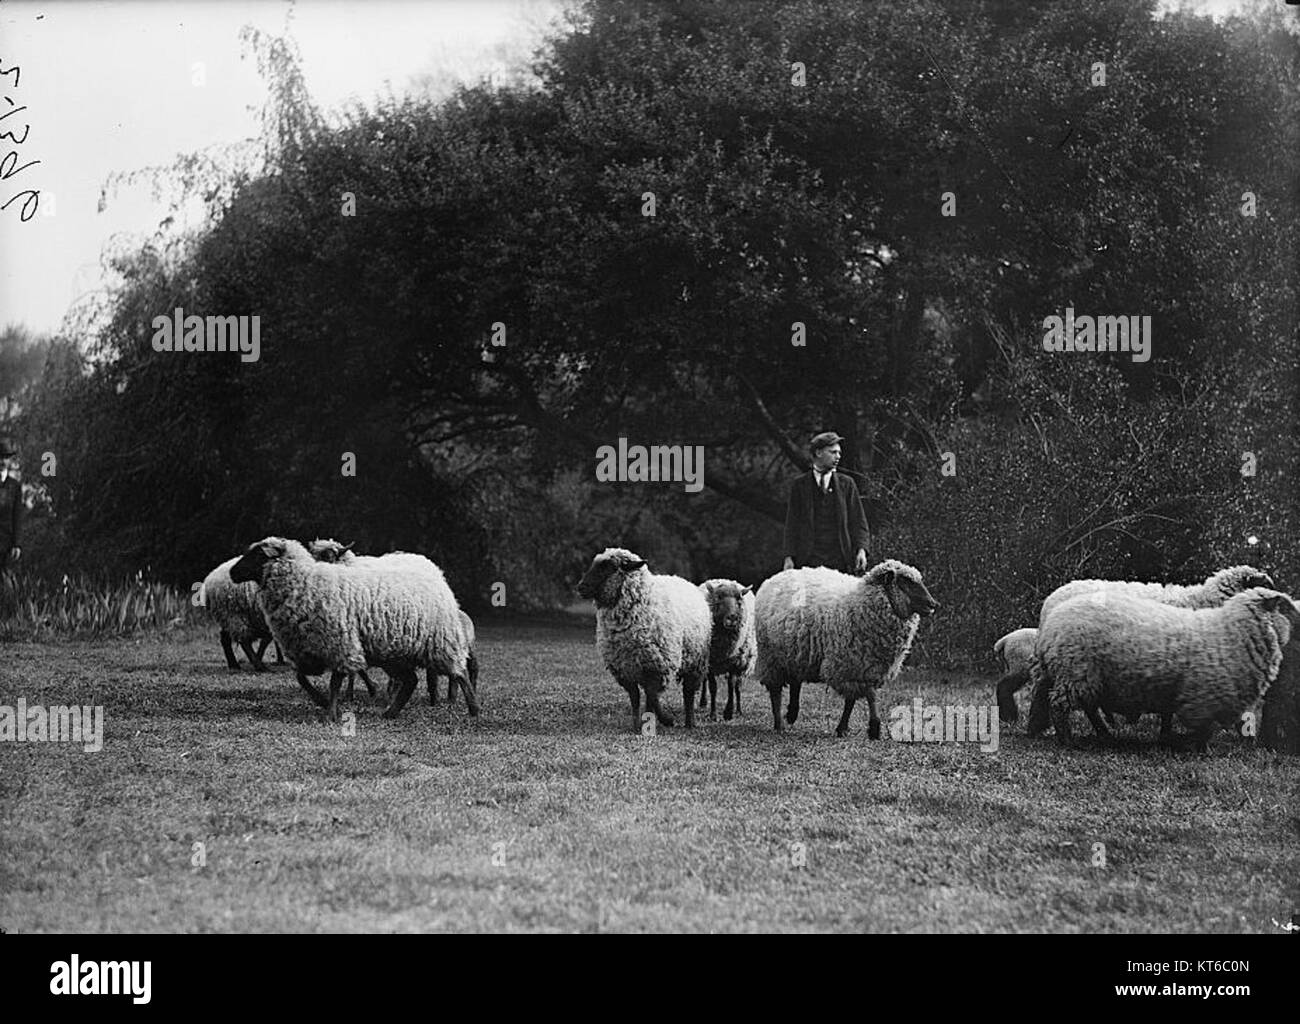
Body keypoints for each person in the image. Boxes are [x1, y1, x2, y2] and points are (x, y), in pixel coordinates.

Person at [782, 431, 870, 573]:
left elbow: (858, 521)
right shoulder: (800, 485)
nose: (838, 457)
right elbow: (792, 524)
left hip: (840, 561)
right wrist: (788, 557)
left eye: (839, 453)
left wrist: (862, 550)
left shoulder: (847, 484)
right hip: (808, 561)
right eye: (833, 452)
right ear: (818, 453)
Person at [0, 437, 21, 577]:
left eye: (6, 457)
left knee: (7, 587)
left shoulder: (14, 486)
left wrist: (16, 544)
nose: (2, 461)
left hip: (5, 545)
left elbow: (17, 517)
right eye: (0, 457)